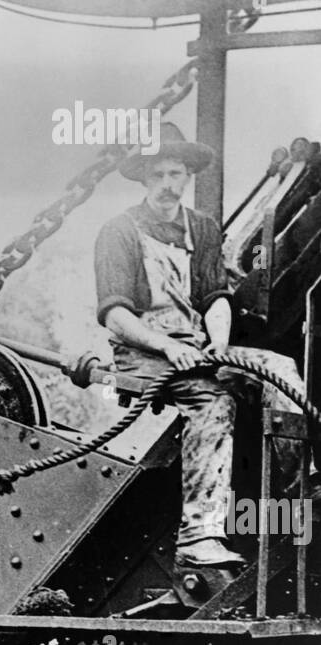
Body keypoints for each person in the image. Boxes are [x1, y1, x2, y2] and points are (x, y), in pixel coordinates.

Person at [94, 122, 308, 568]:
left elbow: (216, 297)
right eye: (158, 175)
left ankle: (296, 492)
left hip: (197, 348)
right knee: (213, 403)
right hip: (144, 356)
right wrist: (170, 349)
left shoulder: (203, 230)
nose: (168, 186)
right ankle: (198, 537)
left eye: (176, 174)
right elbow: (116, 315)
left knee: (281, 371)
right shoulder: (118, 232)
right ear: (143, 178)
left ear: (187, 175)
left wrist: (221, 346)